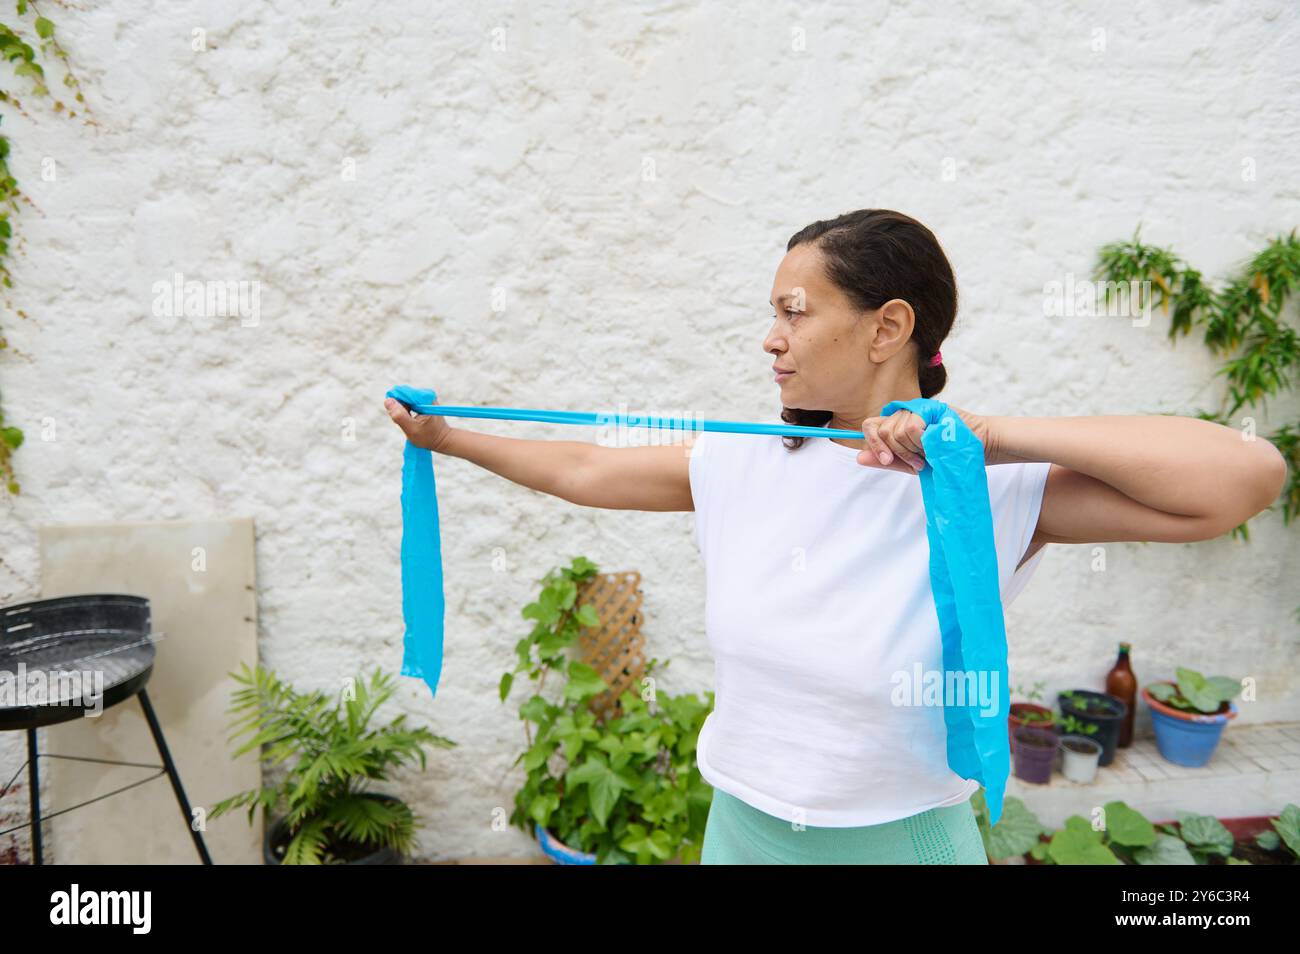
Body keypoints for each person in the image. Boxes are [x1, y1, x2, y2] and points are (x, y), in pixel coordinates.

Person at [382, 208, 1287, 865]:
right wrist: (448, 439)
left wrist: (994, 438)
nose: (770, 341)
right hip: (739, 830)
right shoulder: (739, 463)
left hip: (902, 844)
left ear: (888, 326)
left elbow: (1245, 478)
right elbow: (582, 473)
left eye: (795, 311)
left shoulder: (987, 489)